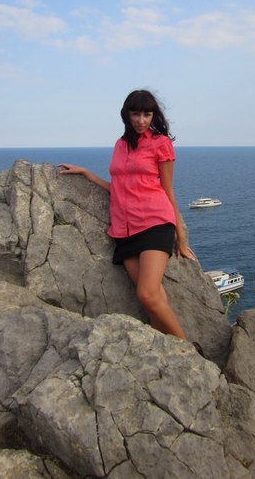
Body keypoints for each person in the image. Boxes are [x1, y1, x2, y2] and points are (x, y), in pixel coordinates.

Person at [58, 89, 196, 341]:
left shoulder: (160, 143)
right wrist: (86, 173)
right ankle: (170, 346)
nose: (141, 120)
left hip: (154, 222)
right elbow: (120, 187)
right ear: (127, 115)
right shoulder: (120, 145)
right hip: (124, 229)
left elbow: (168, 190)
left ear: (153, 115)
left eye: (147, 114)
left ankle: (187, 350)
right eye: (136, 114)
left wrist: (182, 239)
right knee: (152, 299)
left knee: (147, 294)